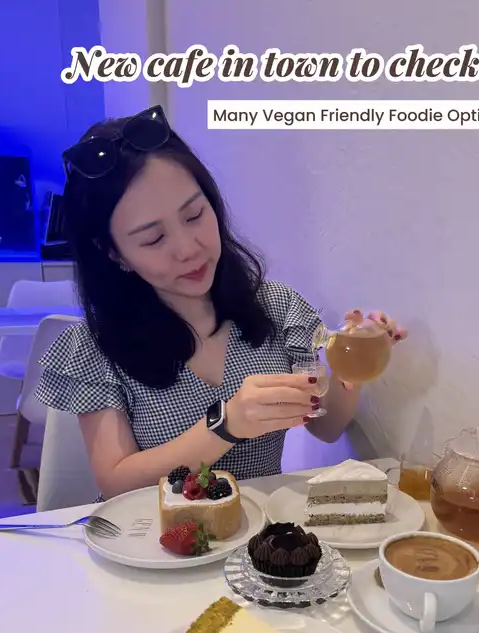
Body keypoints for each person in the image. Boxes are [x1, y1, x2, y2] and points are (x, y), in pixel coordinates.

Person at [36, 105, 408, 499]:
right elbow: (116, 482)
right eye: (153, 239)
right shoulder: (95, 347)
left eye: (194, 215)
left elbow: (327, 427)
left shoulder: (278, 308)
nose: (188, 248)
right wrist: (225, 423)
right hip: (157, 533)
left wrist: (351, 366)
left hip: (261, 530)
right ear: (114, 253)